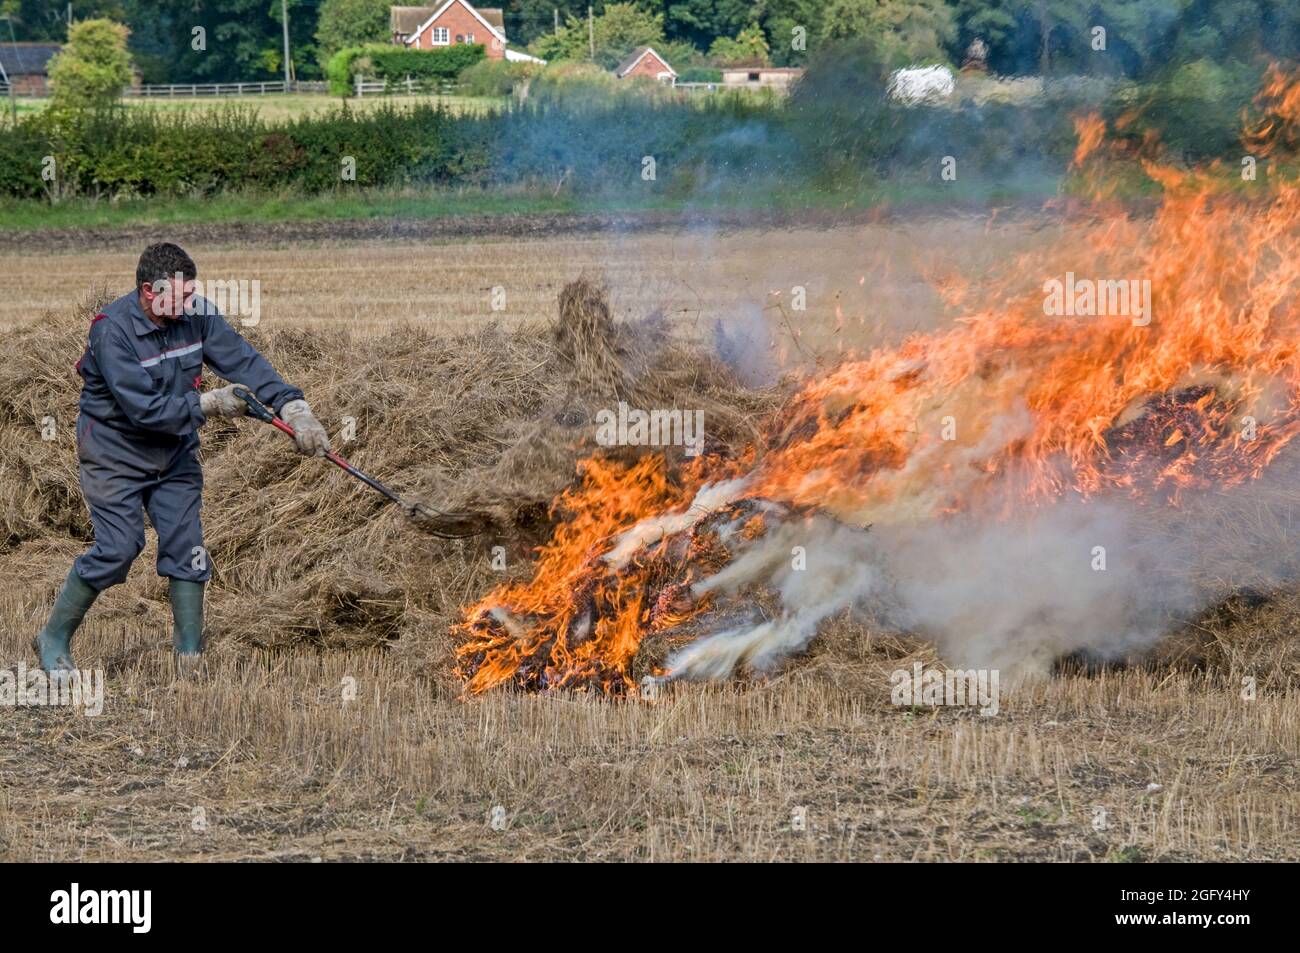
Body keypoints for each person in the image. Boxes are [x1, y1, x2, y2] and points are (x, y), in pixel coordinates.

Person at [33, 242, 330, 676]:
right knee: (119, 548)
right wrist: (210, 403)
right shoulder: (111, 331)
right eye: (181, 296)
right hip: (115, 452)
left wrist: (295, 409)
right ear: (150, 293)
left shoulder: (196, 315)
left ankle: (189, 655)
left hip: (174, 453)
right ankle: (54, 637)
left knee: (187, 549)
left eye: (192, 293)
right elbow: (145, 410)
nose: (191, 303)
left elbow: (245, 363)